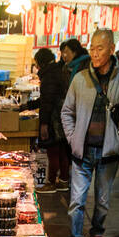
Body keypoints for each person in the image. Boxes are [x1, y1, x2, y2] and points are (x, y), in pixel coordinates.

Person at [60, 27, 119, 237]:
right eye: (92, 48)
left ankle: (97, 231)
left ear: (112, 50)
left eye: (100, 49)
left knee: (103, 199)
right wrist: (72, 137)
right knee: (76, 199)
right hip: (82, 151)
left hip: (108, 152)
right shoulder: (79, 79)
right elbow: (67, 111)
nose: (95, 54)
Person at [34, 47, 71, 192]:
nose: (36, 66)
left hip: (54, 118)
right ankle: (63, 180)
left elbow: (47, 102)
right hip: (62, 117)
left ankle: (50, 183)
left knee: (53, 150)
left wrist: (44, 123)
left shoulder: (49, 76)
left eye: (37, 63)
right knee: (62, 149)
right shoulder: (58, 71)